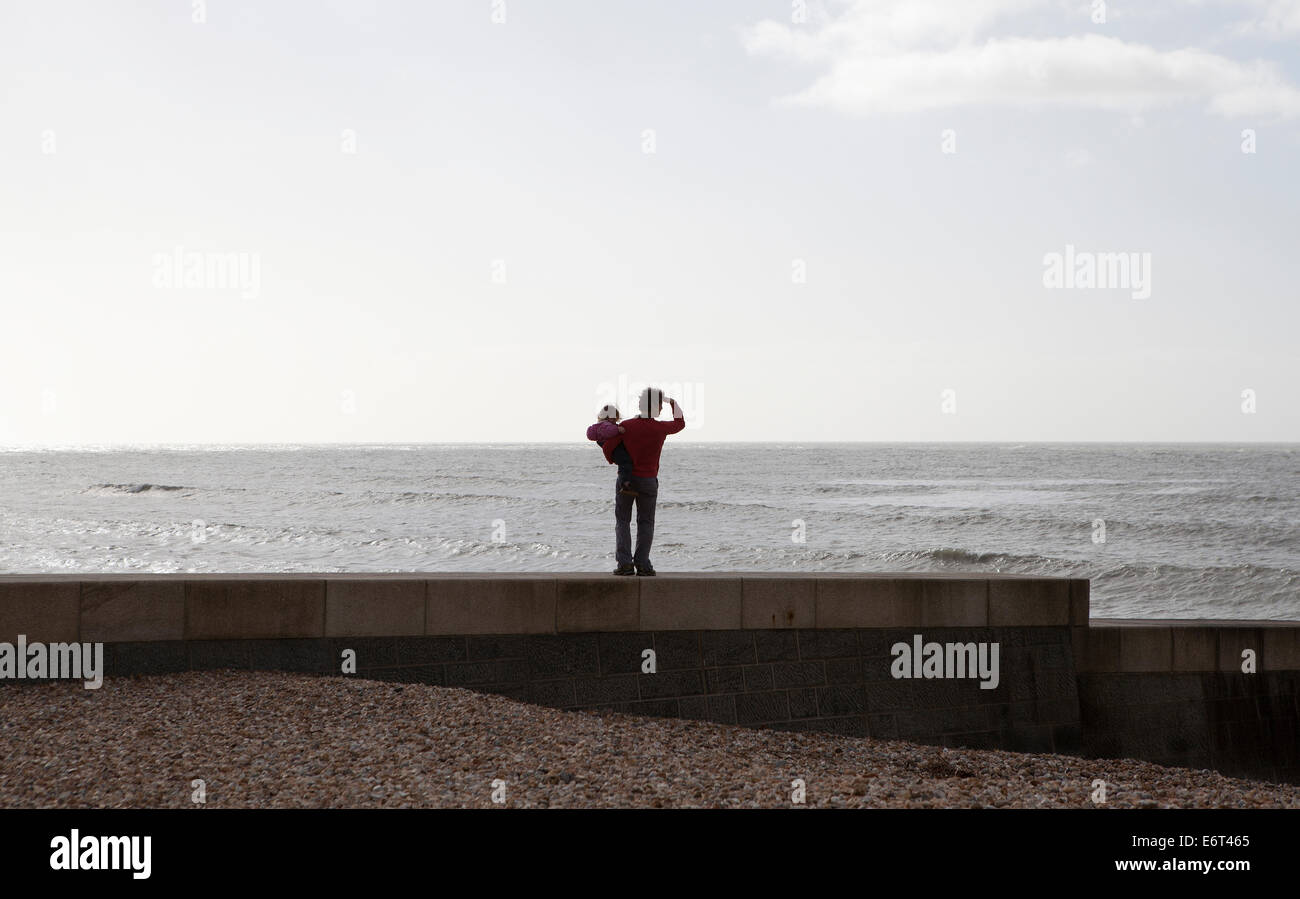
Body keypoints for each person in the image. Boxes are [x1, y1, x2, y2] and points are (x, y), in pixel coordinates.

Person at [611, 387, 685, 576]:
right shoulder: (660, 428)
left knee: (623, 521)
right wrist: (672, 402)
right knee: (646, 523)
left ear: (639, 405)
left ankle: (625, 564)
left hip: (626, 479)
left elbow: (607, 440)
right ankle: (642, 564)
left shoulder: (626, 426)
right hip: (648, 480)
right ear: (658, 407)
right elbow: (680, 422)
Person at [586, 404, 637, 496]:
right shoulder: (606, 426)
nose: (615, 421)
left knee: (623, 463)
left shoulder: (596, 426)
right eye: (614, 419)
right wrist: (618, 429)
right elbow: (610, 431)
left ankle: (625, 483)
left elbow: (590, 434)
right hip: (614, 448)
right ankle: (625, 483)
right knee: (626, 462)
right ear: (607, 417)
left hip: (608, 447)